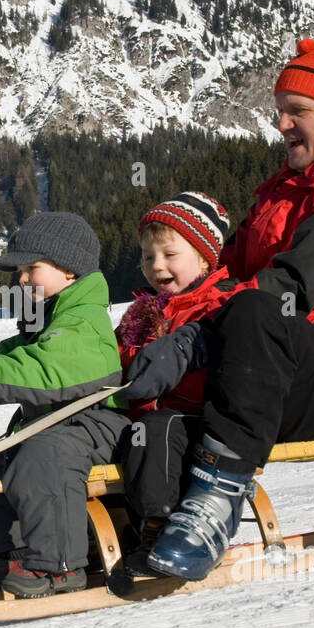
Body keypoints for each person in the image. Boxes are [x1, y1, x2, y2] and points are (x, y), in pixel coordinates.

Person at [121, 38, 314, 582]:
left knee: (259, 309)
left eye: (297, 111)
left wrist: (198, 338)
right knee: (156, 407)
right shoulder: (280, 191)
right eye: (279, 110)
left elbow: (293, 286)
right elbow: (222, 274)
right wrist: (166, 327)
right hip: (263, 377)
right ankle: (128, 528)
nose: (281, 124)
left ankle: (215, 504)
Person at [0, 212, 127, 598]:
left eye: (32, 268)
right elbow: (9, 356)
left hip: (94, 425)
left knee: (42, 461)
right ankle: (10, 557)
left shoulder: (83, 322)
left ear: (70, 271)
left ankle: (58, 567)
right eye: (21, 271)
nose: (23, 279)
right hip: (60, 425)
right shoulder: (49, 319)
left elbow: (38, 372)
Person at [112, 193, 232, 575]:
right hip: (149, 416)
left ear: (203, 257)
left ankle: (160, 530)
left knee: (155, 430)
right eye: (148, 257)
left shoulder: (217, 305)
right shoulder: (141, 314)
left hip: (196, 418)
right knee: (115, 432)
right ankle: (97, 540)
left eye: (169, 254)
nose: (156, 266)